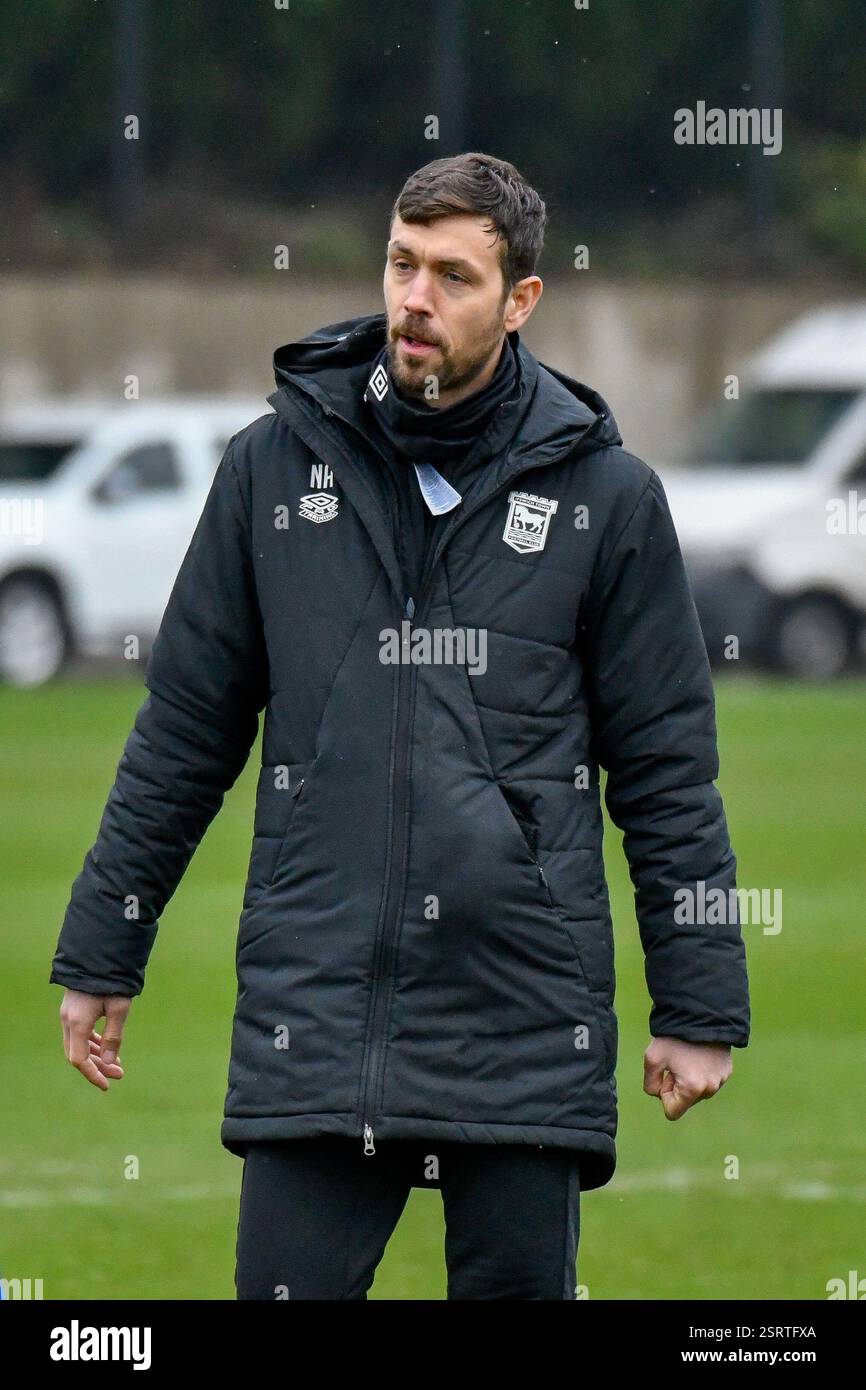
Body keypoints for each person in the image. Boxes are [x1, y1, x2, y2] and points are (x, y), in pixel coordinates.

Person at [50, 151, 750, 1300]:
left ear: (520, 300)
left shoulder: (606, 499)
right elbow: (183, 730)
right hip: (315, 1018)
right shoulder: (271, 470)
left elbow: (667, 767)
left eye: (452, 277)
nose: (413, 300)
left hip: (523, 1019)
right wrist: (103, 946)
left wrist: (699, 1000)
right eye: (400, 264)